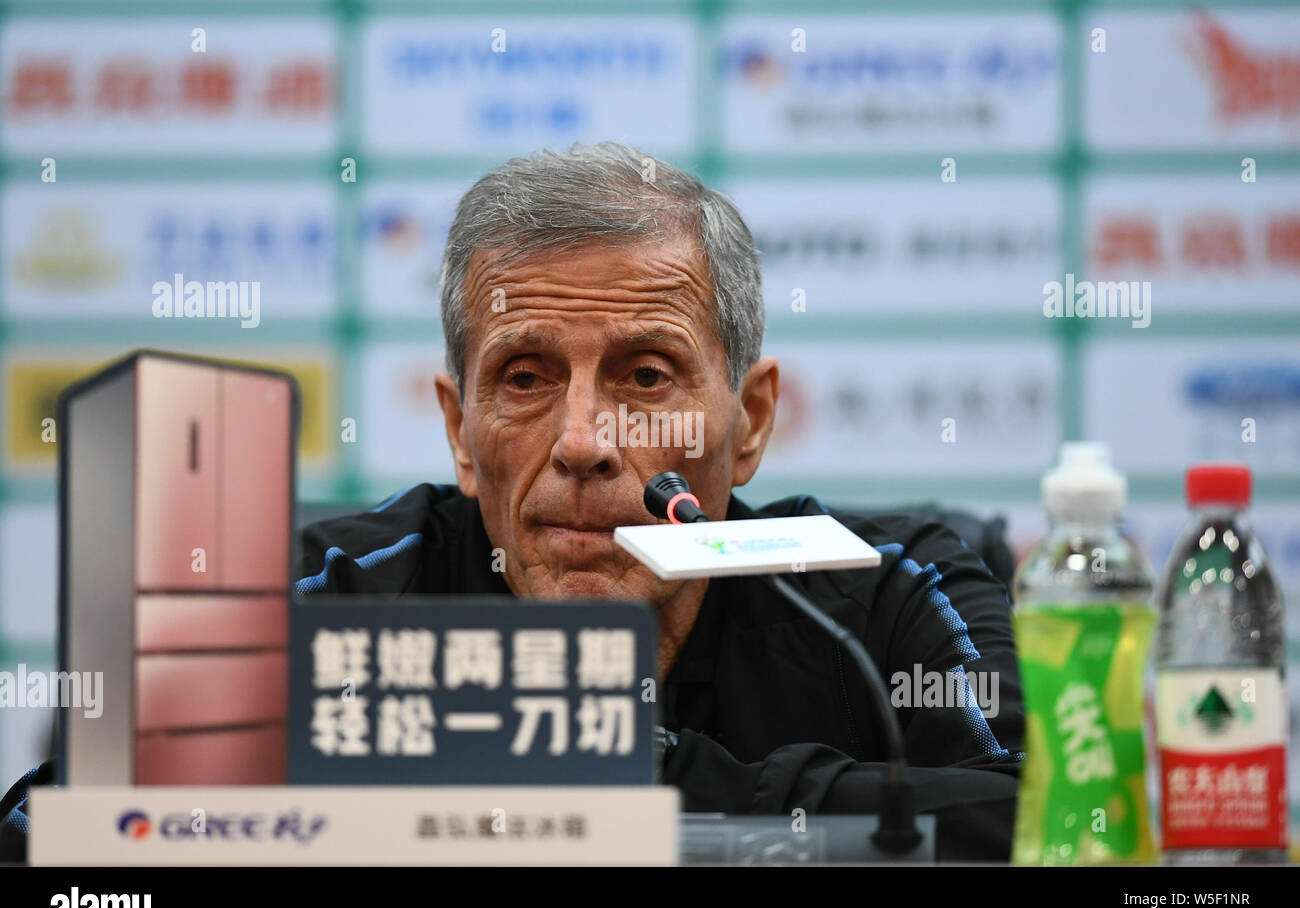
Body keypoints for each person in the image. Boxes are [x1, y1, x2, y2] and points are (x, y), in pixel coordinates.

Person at [1, 143, 1024, 862]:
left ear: (748, 421)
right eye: (526, 378)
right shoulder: (321, 598)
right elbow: (49, 848)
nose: (582, 443)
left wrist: (583, 761)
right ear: (458, 426)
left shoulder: (878, 591)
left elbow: (1076, 831)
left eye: (646, 375)